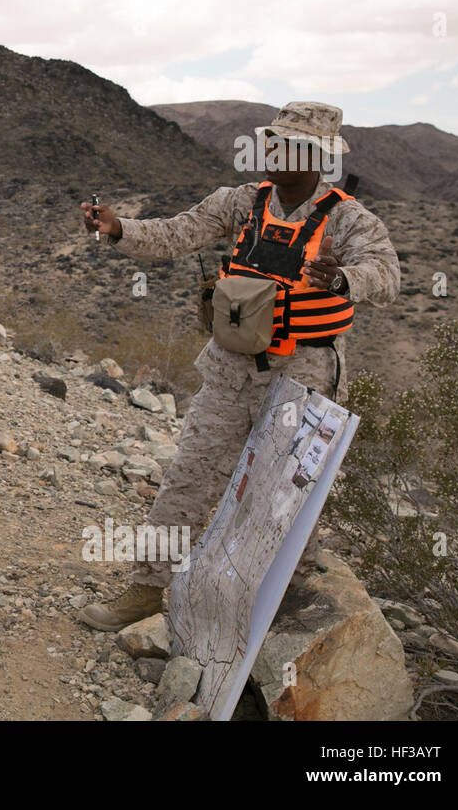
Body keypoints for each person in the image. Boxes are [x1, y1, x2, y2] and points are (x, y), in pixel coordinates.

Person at [76, 101, 401, 631]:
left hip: (304, 376)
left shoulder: (347, 219)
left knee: (285, 493)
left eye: (289, 144)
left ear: (318, 155)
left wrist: (343, 277)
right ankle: (145, 588)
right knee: (188, 477)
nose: (273, 151)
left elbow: (387, 277)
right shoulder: (240, 202)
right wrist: (118, 229)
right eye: (273, 140)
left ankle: (280, 607)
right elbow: (175, 235)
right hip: (229, 369)